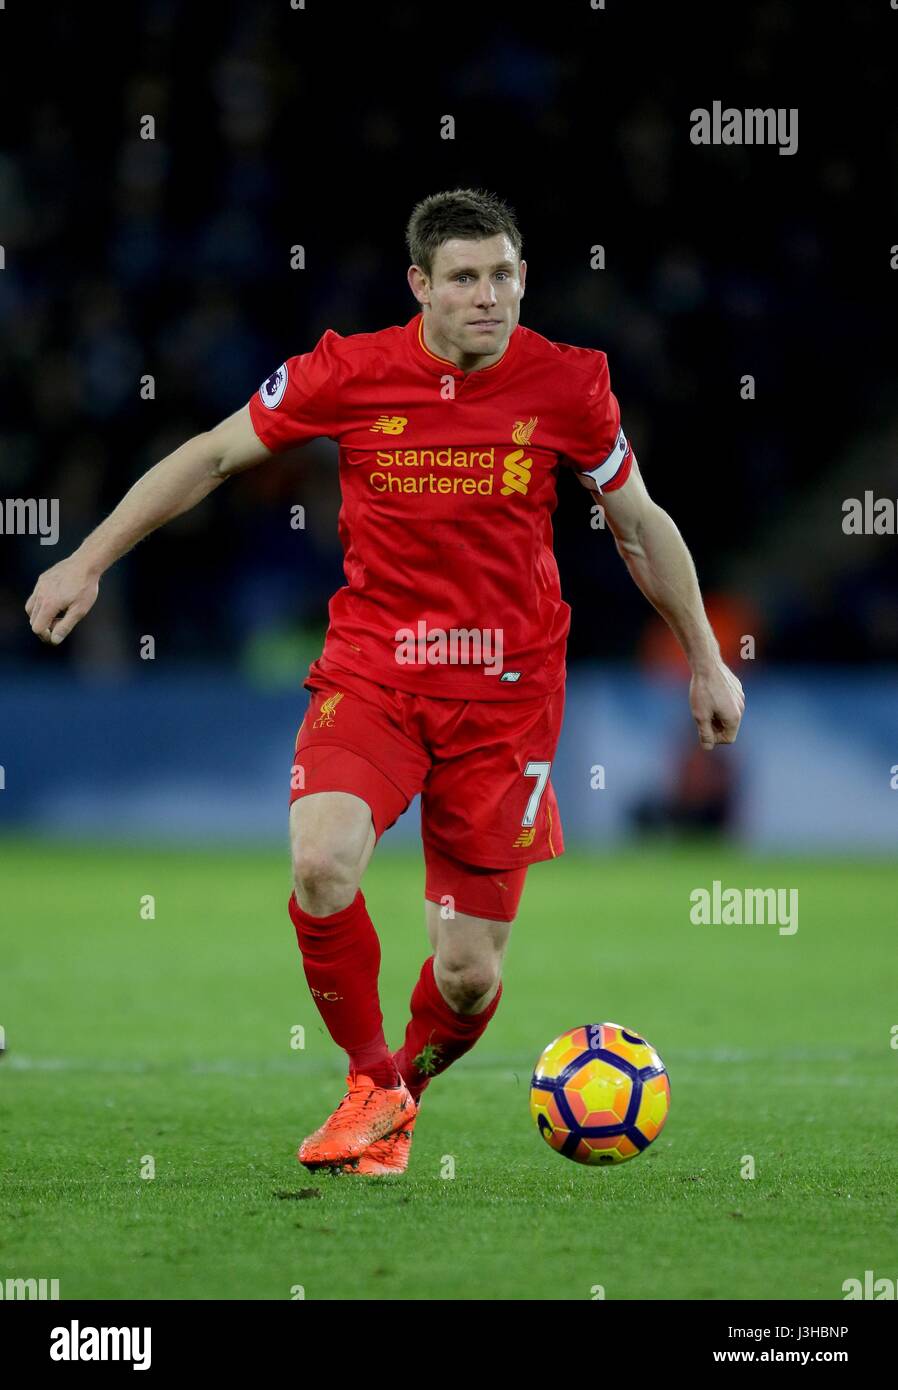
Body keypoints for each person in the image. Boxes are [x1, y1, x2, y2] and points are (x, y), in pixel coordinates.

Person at [25, 187, 744, 1177]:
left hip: (506, 697)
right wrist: (88, 559)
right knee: (321, 863)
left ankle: (393, 1097)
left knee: (464, 973)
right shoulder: (349, 371)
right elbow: (212, 454)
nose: (488, 297)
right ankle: (370, 1080)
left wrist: (704, 658)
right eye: (464, 279)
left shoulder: (569, 385)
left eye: (503, 276)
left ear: (522, 276)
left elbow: (638, 521)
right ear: (421, 286)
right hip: (376, 671)